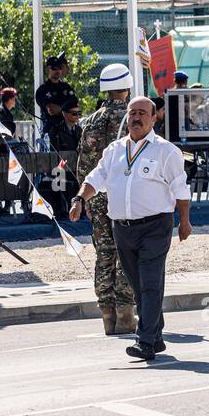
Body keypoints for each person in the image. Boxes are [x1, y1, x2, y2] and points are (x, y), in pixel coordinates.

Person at [70, 96, 191, 362]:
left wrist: (184, 221)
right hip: (122, 228)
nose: (136, 117)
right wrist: (80, 199)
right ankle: (156, 335)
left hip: (155, 226)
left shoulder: (166, 151)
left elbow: (180, 189)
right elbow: (96, 178)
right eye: (132, 112)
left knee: (149, 283)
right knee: (138, 287)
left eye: (142, 113)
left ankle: (145, 342)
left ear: (154, 117)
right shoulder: (114, 150)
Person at [75, 63, 137, 336]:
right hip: (125, 200)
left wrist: (85, 199)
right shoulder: (134, 118)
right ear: (127, 87)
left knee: (104, 255)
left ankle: (108, 317)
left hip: (97, 198)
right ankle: (126, 316)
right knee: (127, 256)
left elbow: (83, 165)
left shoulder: (90, 120)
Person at [35, 53, 75, 137]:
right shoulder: (43, 89)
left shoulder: (67, 88)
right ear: (48, 70)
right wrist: (67, 110)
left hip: (67, 131)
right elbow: (51, 110)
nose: (57, 71)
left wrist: (61, 109)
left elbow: (75, 108)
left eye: (59, 68)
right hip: (51, 132)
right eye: (54, 68)